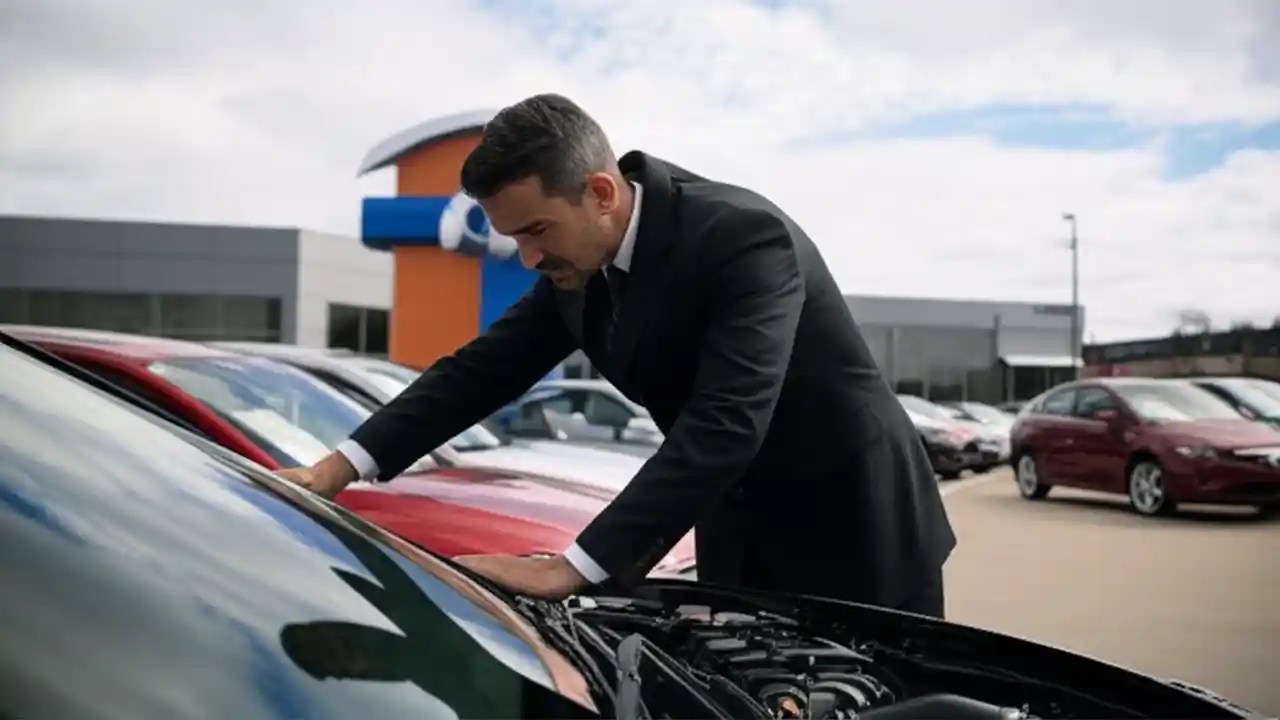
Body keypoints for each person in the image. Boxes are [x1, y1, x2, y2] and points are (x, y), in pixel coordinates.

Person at [278, 93, 956, 618]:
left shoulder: (744, 239)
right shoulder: (576, 270)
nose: (530, 257)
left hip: (854, 526)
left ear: (600, 193)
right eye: (515, 238)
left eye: (538, 230)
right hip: (739, 525)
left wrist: (573, 566)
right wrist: (336, 470)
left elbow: (726, 420)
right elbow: (478, 374)